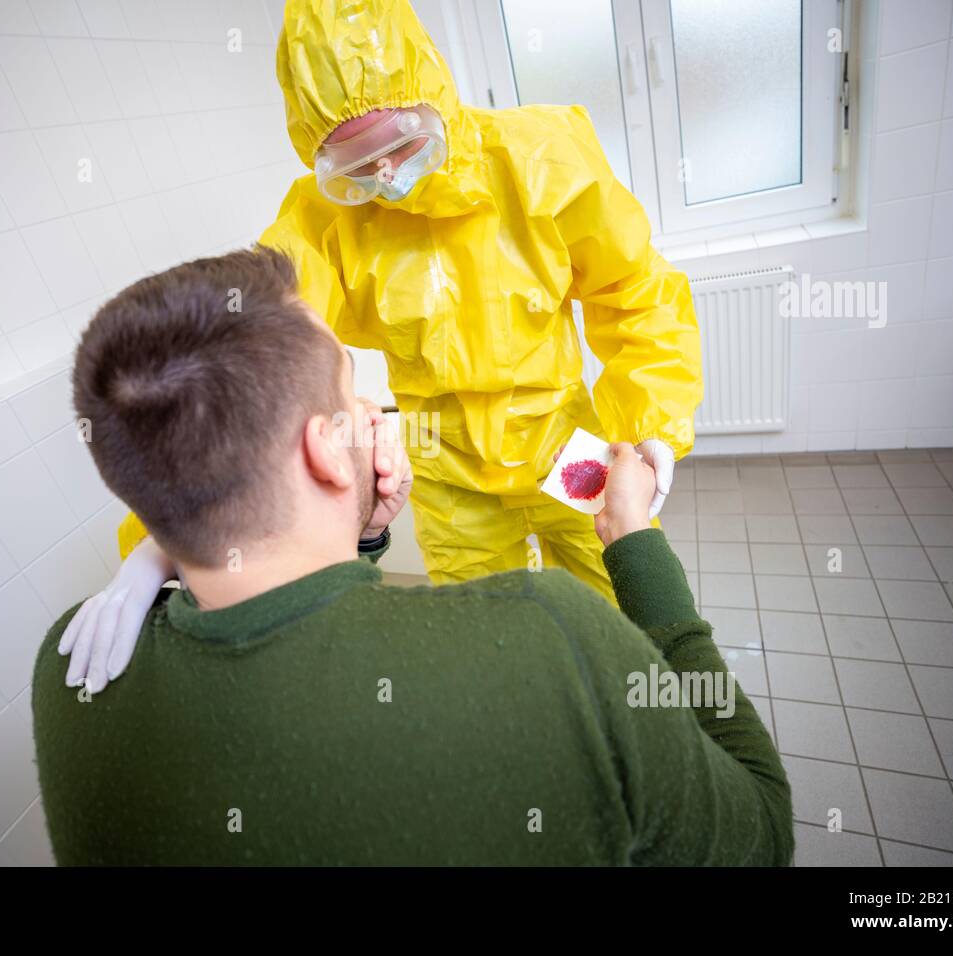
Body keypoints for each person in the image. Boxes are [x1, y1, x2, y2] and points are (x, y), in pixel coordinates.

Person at [32, 247, 791, 866]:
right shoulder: (555, 642)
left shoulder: (74, 666)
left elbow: (298, 652)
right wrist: (640, 550)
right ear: (326, 450)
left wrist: (179, 554)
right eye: (352, 391)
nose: (373, 412)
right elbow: (761, 825)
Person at [62, 0, 701, 691]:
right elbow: (232, 364)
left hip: (568, 445)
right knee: (493, 642)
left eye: (401, 142)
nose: (388, 177)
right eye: (357, 163)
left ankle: (637, 739)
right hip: (452, 469)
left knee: (621, 617)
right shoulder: (325, 222)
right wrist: (161, 547)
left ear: (431, 95)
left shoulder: (540, 159)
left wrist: (651, 426)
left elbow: (638, 293)